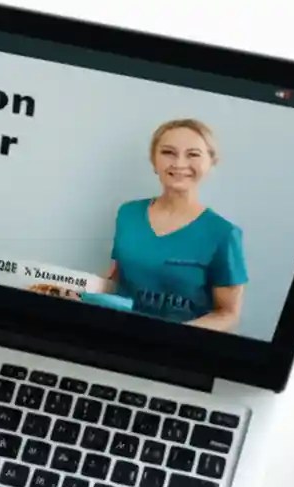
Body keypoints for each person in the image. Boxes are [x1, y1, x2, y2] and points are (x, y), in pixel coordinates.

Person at [104, 118, 248, 331]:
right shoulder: (128, 213)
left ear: (211, 162)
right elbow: (115, 279)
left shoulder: (223, 234)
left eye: (193, 154)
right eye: (168, 152)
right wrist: (69, 290)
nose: (179, 163)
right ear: (154, 160)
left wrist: (173, 337)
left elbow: (227, 313)